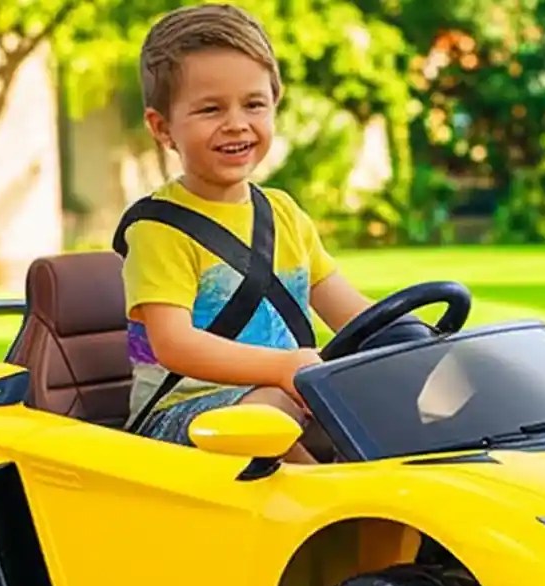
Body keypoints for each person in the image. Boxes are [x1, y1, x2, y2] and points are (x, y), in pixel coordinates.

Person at [118, 4, 373, 462]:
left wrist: (421, 344)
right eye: (210, 109)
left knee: (387, 401)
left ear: (275, 104)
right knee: (271, 413)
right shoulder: (158, 229)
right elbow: (174, 344)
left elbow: (355, 317)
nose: (236, 123)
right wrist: (283, 367)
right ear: (162, 127)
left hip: (286, 395)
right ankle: (324, 503)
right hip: (179, 420)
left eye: (253, 104)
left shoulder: (284, 214)